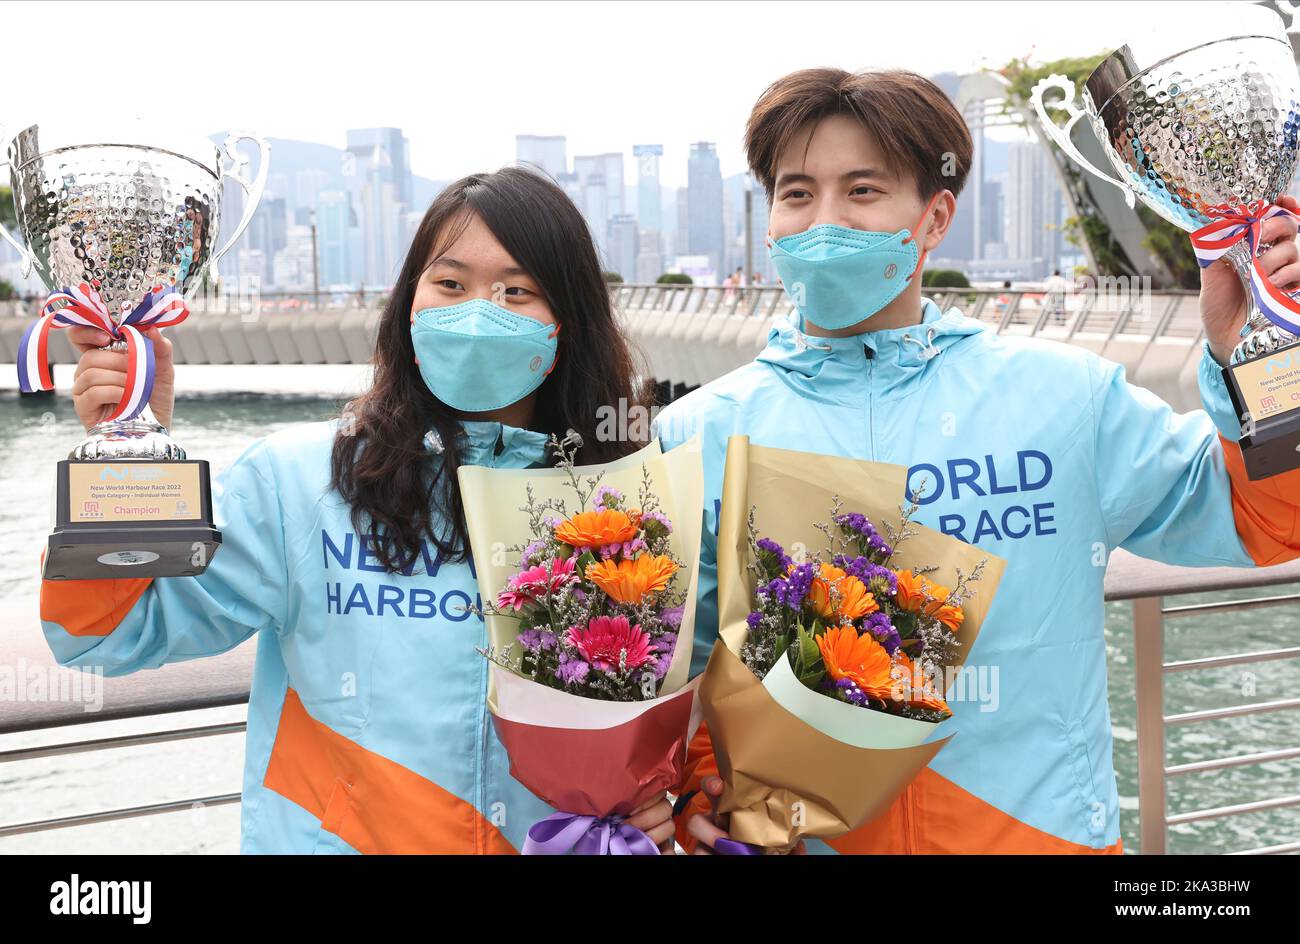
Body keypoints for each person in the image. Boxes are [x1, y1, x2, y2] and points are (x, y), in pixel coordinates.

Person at [654, 67, 1300, 855]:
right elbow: (668, 681)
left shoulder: (1065, 398)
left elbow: (1262, 521)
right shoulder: (698, 432)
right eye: (797, 194)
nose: (824, 220)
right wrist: (692, 788)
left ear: (934, 218)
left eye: (862, 191)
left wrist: (1261, 362)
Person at [40, 166, 676, 854]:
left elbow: (671, 719)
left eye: (516, 291)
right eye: (451, 284)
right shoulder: (297, 483)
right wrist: (130, 451)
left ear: (567, 323)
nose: (477, 312)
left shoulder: (624, 501)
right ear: (409, 305)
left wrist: (656, 803)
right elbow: (111, 635)